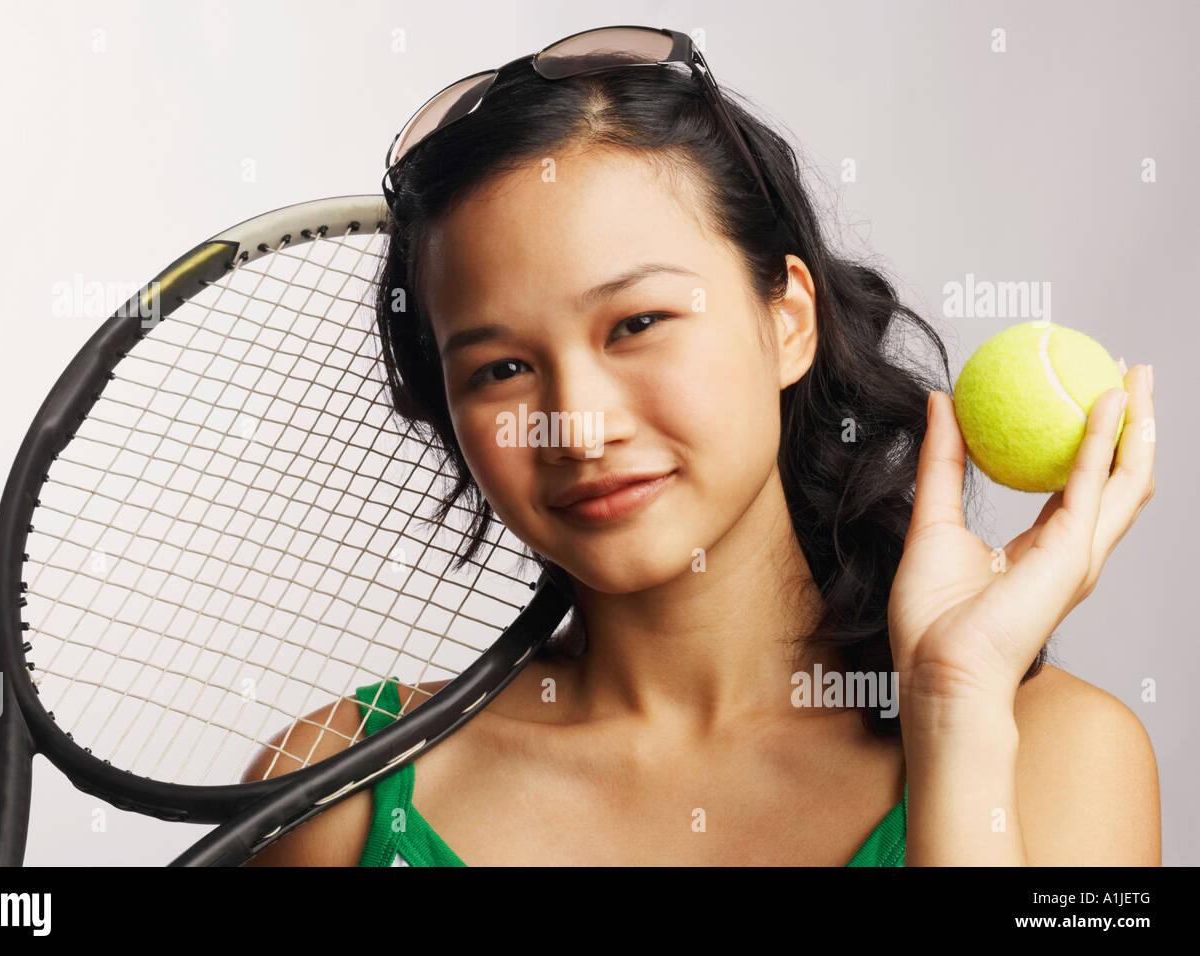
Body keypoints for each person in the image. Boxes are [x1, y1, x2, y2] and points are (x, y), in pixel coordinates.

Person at [244, 25, 1160, 866]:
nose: (578, 424)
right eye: (499, 370)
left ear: (790, 321)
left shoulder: (1065, 757)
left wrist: (956, 720)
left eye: (638, 322)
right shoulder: (337, 796)